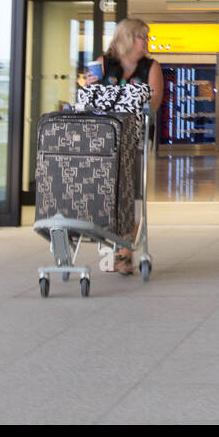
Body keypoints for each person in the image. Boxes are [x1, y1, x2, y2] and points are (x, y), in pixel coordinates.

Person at [85, 17, 164, 275]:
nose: (147, 41)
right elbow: (89, 96)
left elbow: (152, 104)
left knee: (133, 193)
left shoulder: (151, 67)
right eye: (143, 36)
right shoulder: (102, 64)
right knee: (107, 191)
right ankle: (112, 245)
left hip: (136, 139)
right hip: (104, 140)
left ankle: (124, 251)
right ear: (128, 38)